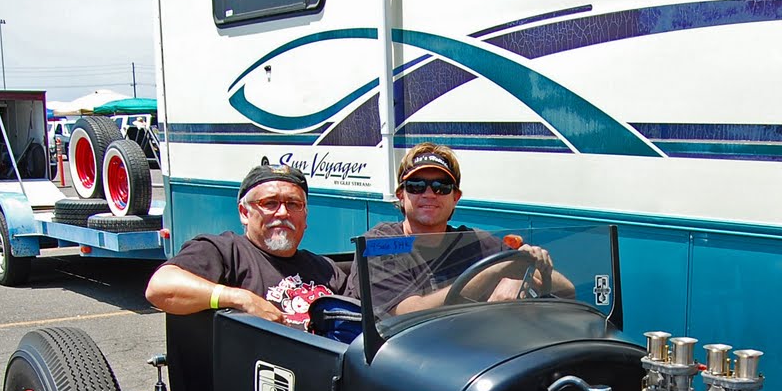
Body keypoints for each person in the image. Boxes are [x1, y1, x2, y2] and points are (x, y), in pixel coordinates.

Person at [353, 143, 573, 314]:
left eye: (441, 187)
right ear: (401, 195)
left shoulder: (473, 242)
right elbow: (409, 313)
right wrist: (497, 271)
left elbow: (566, 289)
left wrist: (524, 274)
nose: (429, 194)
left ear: (455, 197)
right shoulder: (378, 245)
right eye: (416, 186)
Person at [145, 163, 347, 326]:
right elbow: (160, 287)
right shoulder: (225, 251)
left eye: (293, 204)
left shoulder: (326, 269)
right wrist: (241, 299)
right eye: (270, 203)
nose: (283, 213)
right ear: (244, 213)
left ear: (305, 216)